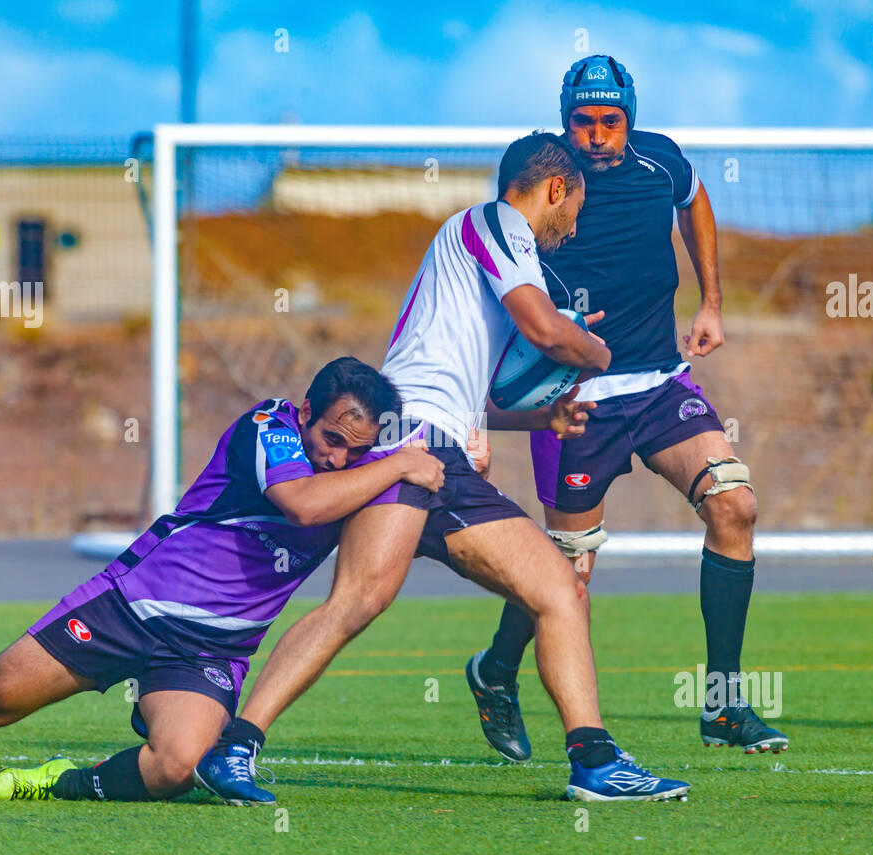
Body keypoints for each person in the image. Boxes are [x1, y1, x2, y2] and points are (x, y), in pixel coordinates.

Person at [199, 131, 692, 805]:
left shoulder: (491, 262)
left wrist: (538, 419)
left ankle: (231, 750)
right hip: (418, 443)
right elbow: (548, 334)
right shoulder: (493, 222)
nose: (572, 229)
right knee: (555, 587)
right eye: (573, 208)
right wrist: (598, 352)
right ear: (555, 188)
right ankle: (594, 763)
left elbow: (476, 392)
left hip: (415, 442)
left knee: (362, 601)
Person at [0, 358, 445, 802]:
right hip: (130, 607)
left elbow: (426, 455)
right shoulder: (267, 426)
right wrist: (395, 466)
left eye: (356, 450)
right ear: (307, 411)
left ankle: (60, 782)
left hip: (209, 652)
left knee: (177, 766)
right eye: (332, 438)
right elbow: (302, 503)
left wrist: (445, 452)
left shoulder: (371, 459)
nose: (341, 457)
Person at [468, 56, 786, 760]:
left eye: (611, 121)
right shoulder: (542, 190)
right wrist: (480, 412)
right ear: (564, 120)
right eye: (583, 121)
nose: (597, 135)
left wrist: (711, 300)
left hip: (659, 385)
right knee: (564, 576)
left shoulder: (660, 163)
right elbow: (498, 293)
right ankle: (495, 672)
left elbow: (694, 198)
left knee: (734, 503)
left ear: (630, 119)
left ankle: (725, 706)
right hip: (574, 402)